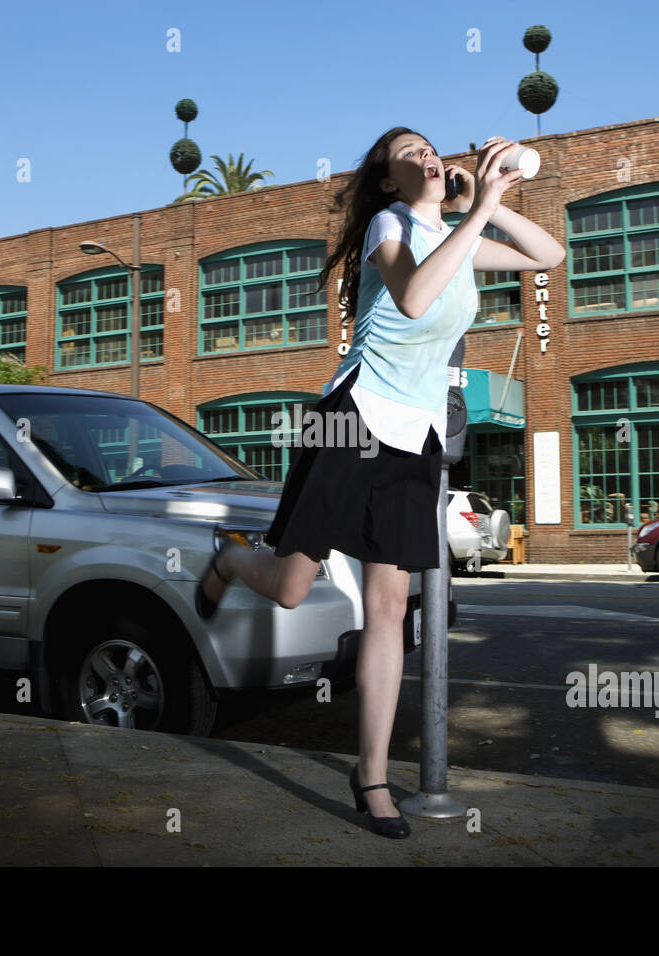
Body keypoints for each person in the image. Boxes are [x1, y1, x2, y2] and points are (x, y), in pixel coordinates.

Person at [196, 127, 565, 838]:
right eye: (410, 157)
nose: (429, 159)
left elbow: (548, 255)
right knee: (293, 587)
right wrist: (478, 208)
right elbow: (417, 298)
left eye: (432, 150)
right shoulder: (387, 227)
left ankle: (371, 774)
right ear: (390, 183)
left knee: (390, 610)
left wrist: (489, 198)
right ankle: (235, 560)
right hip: (353, 421)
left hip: (416, 437)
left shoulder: (458, 233)